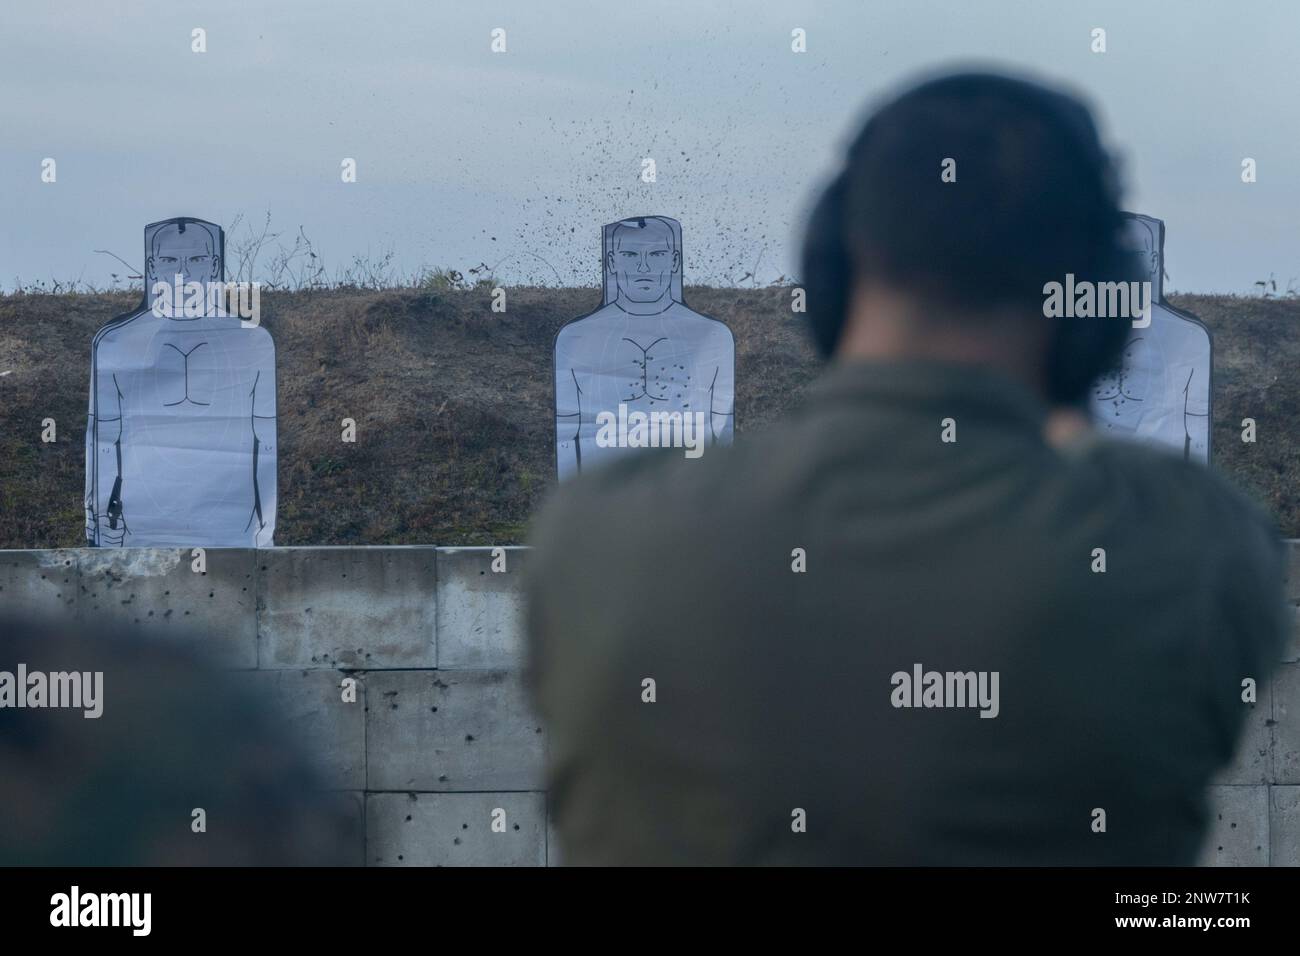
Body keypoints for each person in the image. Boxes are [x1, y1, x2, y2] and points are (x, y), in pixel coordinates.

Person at [525, 71, 1288, 865]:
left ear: (826, 276)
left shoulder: (598, 539)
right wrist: (1066, 392)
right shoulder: (1197, 545)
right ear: (1103, 304)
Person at [85, 217, 277, 548]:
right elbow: (103, 442)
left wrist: (263, 532)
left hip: (232, 530)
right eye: (170, 260)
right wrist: (100, 523)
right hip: (140, 533)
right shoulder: (115, 343)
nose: (183, 273)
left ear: (215, 265)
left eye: (197, 260)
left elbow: (266, 444)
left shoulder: (253, 342)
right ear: (152, 266)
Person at [553, 216, 734, 480]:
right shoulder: (575, 338)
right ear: (612, 261)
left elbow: (723, 436)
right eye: (629, 254)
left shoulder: (714, 337)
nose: (643, 266)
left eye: (657, 253)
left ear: (674, 261)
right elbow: (568, 438)